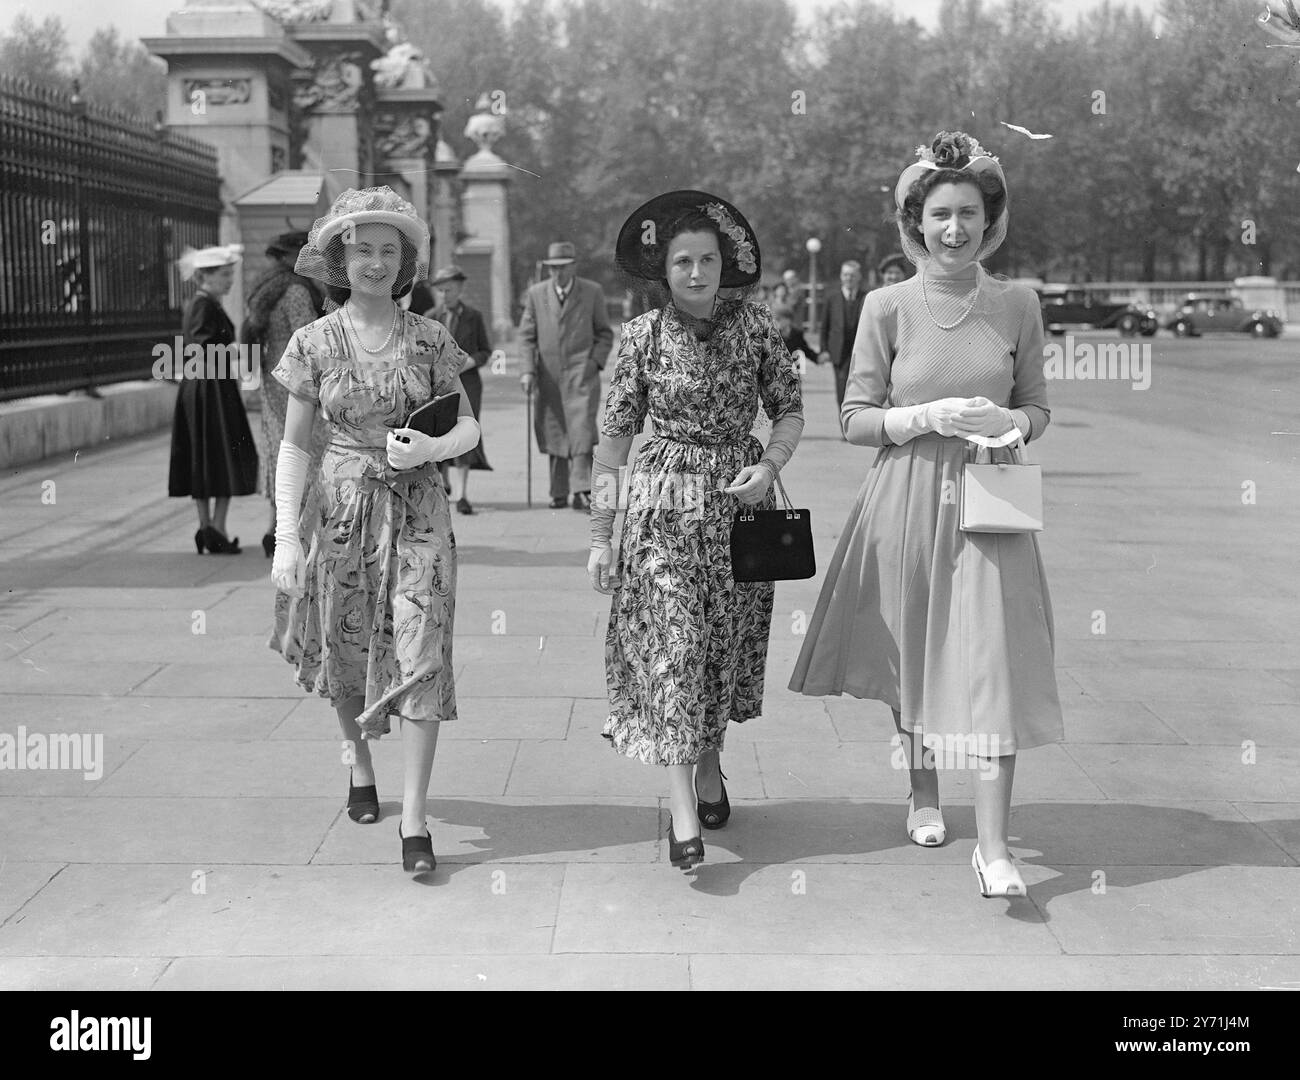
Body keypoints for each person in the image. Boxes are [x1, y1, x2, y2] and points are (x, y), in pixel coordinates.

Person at [788, 132, 1062, 898]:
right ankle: (924, 790)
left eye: (968, 213)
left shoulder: (1018, 304)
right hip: (906, 495)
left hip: (993, 495)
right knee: (916, 647)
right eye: (939, 214)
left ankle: (996, 848)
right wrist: (925, 416)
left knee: (998, 658)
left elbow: (1039, 406)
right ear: (916, 221)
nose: (954, 229)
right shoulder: (886, 306)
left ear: (990, 219)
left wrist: (1014, 427)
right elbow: (853, 418)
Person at [267, 186, 481, 874]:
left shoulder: (429, 336)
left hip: (418, 512)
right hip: (339, 512)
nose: (378, 263)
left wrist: (434, 451)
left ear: (405, 261)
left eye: (390, 251)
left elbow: (472, 424)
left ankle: (414, 819)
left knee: (422, 651)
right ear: (339, 257)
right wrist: (286, 537)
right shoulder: (313, 343)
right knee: (344, 645)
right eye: (364, 250)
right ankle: (359, 761)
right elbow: (295, 445)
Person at [589, 190, 804, 870]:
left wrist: (769, 467)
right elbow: (612, 444)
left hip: (740, 514)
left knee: (718, 650)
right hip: (661, 512)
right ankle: (683, 813)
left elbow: (789, 411)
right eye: (682, 261)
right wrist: (601, 532)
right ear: (663, 269)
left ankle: (710, 767)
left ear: (725, 264)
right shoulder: (641, 338)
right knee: (675, 648)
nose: (695, 272)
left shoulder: (759, 326)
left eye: (707, 259)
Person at [167, 244, 258, 554]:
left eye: (230, 273)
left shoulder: (202, 304)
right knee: (221, 454)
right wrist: (237, 353)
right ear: (205, 276)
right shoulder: (204, 306)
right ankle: (214, 527)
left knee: (206, 455)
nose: (229, 280)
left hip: (204, 387)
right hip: (212, 388)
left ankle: (209, 525)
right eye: (223, 275)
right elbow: (205, 348)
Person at [245, 230, 327, 556]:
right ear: (293, 256)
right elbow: (309, 337)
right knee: (306, 449)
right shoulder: (296, 290)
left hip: (271, 376)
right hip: (297, 379)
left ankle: (274, 525)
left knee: (279, 449)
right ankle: (293, 530)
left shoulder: (266, 287)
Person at [518, 241, 614, 511]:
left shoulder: (591, 292)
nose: (557, 274)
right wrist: (526, 371)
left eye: (562, 268)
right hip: (547, 376)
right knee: (555, 431)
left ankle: (582, 489)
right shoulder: (537, 294)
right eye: (553, 268)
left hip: (581, 374)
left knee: (581, 431)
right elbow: (526, 337)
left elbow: (604, 333)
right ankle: (558, 491)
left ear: (573, 266)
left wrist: (595, 362)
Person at [427, 264, 493, 514]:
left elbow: (486, 350)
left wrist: (467, 364)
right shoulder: (431, 317)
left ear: (460, 289)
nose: (446, 295)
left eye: (450, 290)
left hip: (469, 383)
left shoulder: (473, 317)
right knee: (440, 431)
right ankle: (443, 482)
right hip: (439, 386)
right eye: (441, 290)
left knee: (466, 429)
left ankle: (464, 494)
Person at [818, 259, 866, 416]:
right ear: (841, 276)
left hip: (862, 352)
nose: (849, 278)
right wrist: (823, 349)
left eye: (852, 275)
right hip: (839, 352)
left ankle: (857, 419)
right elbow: (824, 326)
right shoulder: (832, 299)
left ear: (859, 276)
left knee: (860, 389)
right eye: (845, 275)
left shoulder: (868, 297)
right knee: (841, 388)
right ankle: (844, 422)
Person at [772, 303, 817, 369]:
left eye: (778, 319)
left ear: (788, 320)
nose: (776, 321)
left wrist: (817, 358)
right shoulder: (773, 335)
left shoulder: (797, 334)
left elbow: (806, 350)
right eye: (775, 319)